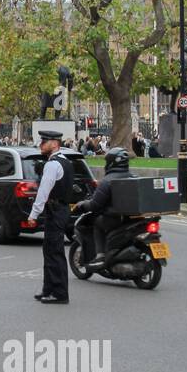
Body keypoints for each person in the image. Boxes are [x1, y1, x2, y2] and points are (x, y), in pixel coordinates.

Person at [28, 130, 74, 304]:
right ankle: (49, 289)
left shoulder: (53, 165)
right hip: (61, 210)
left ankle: (60, 293)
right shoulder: (65, 162)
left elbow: (43, 192)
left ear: (54, 144)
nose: (41, 144)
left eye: (45, 141)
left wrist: (34, 214)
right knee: (50, 251)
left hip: (55, 211)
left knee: (54, 252)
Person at [73, 147, 132, 268]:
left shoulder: (107, 181)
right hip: (131, 218)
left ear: (111, 162)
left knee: (97, 224)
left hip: (114, 218)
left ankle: (100, 255)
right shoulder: (133, 177)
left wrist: (82, 204)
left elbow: (95, 205)